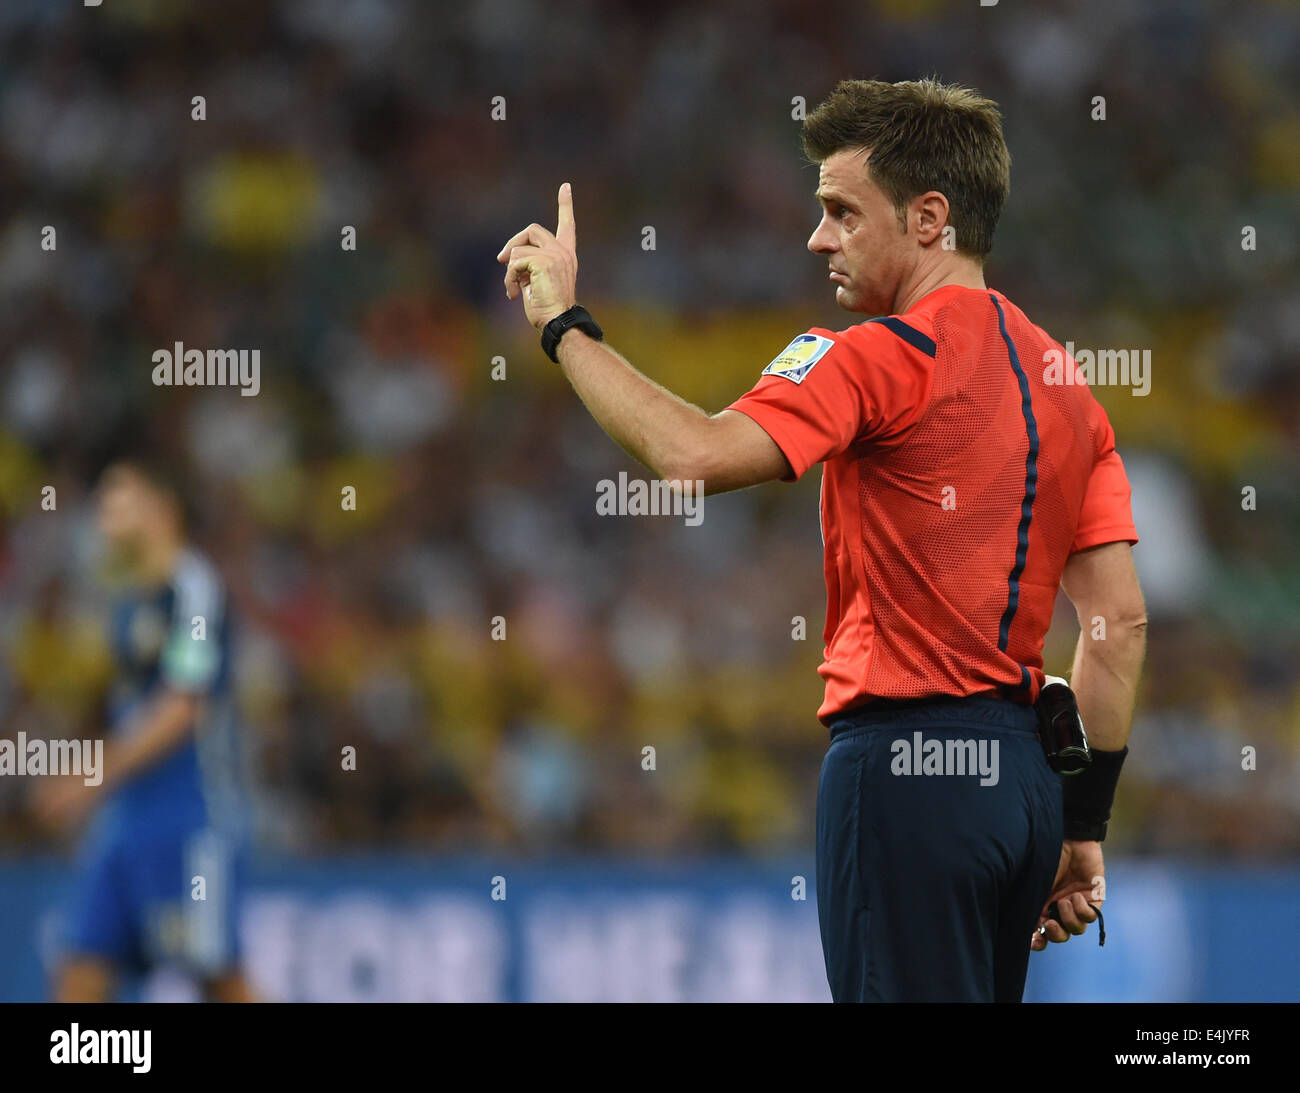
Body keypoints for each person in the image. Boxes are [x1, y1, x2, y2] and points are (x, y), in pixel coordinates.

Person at [496, 77, 1146, 1002]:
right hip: (1024, 787)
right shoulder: (1071, 387)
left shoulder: (878, 356)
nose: (818, 237)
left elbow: (691, 456)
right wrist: (1081, 824)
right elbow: (1117, 628)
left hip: (903, 774)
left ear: (929, 217)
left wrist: (563, 325)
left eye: (842, 211)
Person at [35, 460, 254, 1002]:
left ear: (163, 508)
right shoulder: (129, 600)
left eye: (122, 499)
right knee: (79, 974)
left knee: (218, 978)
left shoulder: (194, 590)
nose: (107, 514)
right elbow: (129, 707)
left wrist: (90, 777)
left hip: (189, 814)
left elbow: (184, 706)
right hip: (125, 819)